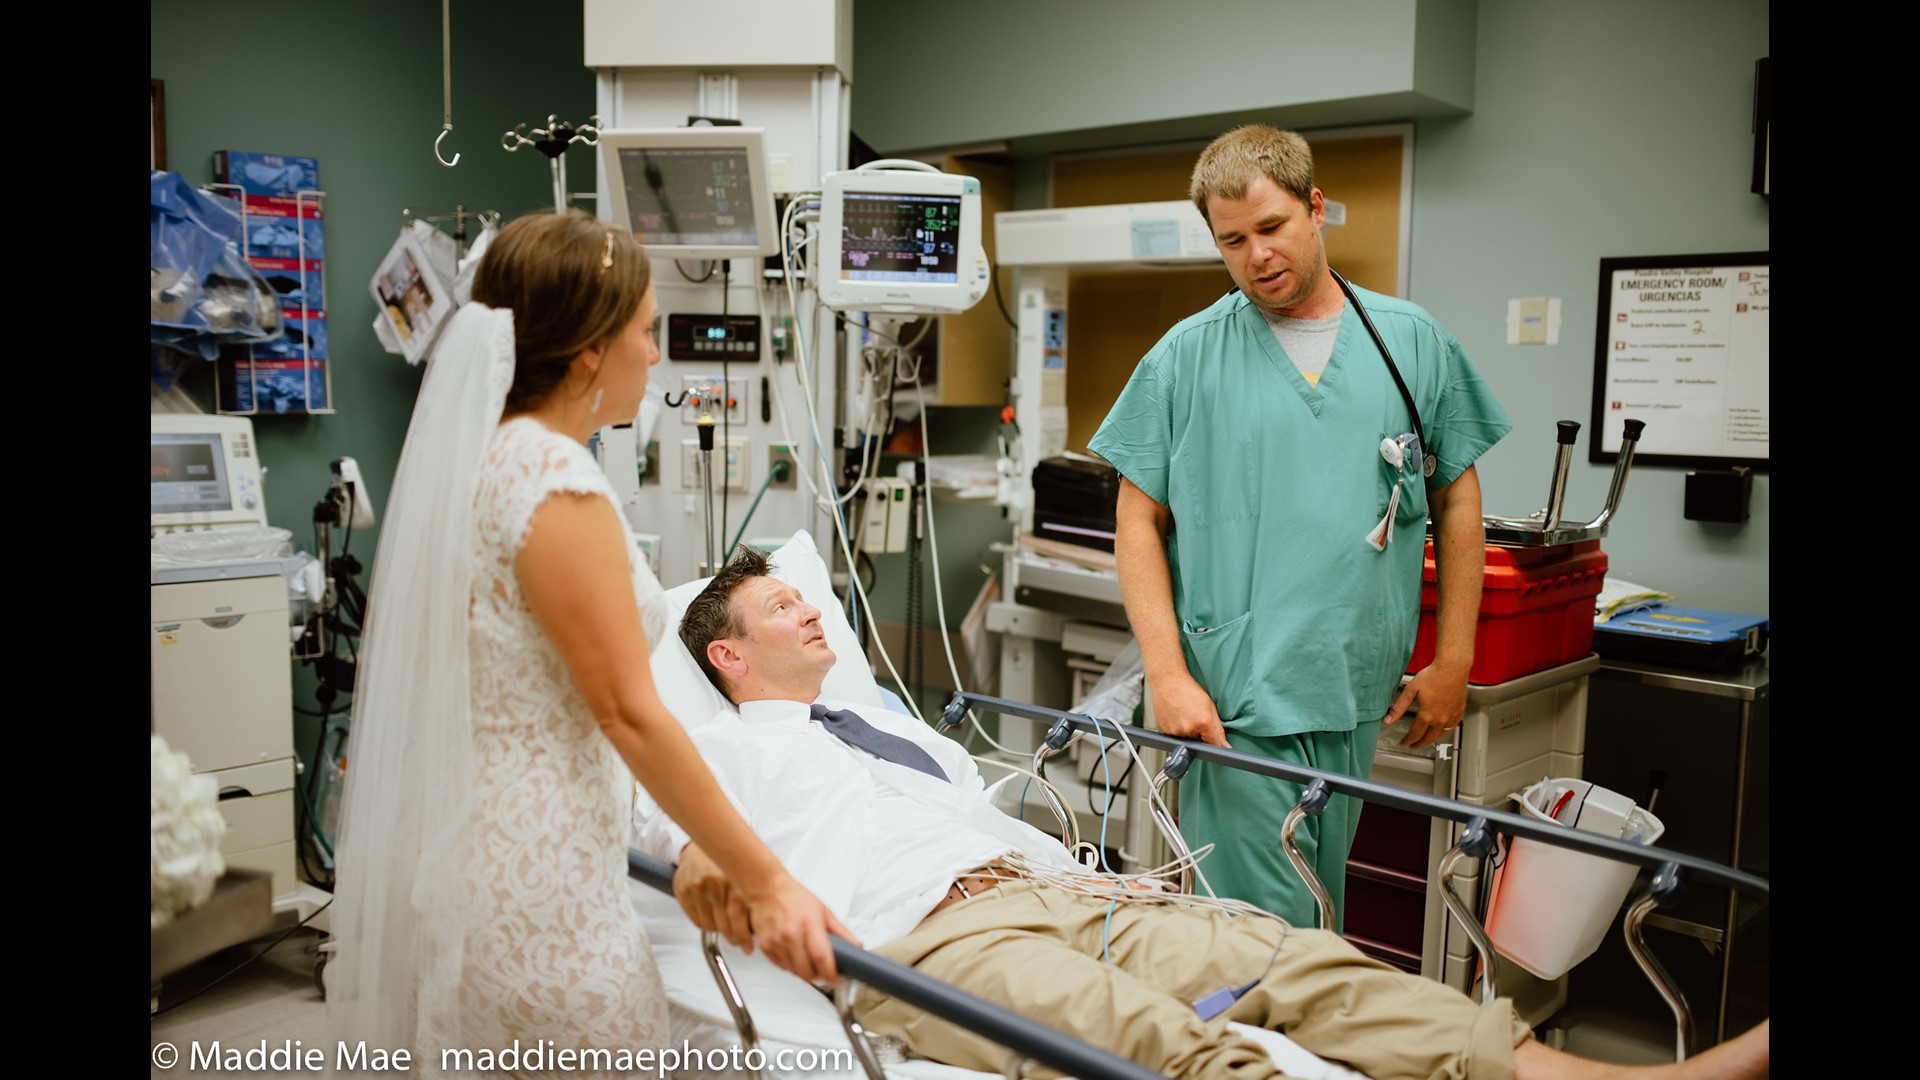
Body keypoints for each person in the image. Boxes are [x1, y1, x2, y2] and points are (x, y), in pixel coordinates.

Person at [642, 549, 1770, 1080]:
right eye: (781, 606)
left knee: (1300, 962)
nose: (812, 611)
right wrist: (697, 853)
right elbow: (668, 837)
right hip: (930, 939)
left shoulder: (897, 733)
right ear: (729, 657)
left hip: (1057, 890)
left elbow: (978, 811)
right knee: (1151, 1044)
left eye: (804, 594)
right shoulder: (716, 756)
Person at [327, 211, 852, 1071]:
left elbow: (563, 705)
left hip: (483, 851)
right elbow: (627, 714)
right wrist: (769, 883)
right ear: (588, 354)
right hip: (544, 886)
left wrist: (684, 845)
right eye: (645, 331)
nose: (655, 354)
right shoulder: (554, 479)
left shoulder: (490, 462)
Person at [1086, 125, 1513, 930]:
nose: (1257, 256)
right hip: (1236, 696)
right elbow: (1137, 517)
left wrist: (1454, 658)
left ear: (1316, 208)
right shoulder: (1186, 357)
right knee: (1261, 937)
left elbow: (1457, 502)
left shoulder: (1411, 342)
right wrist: (1167, 674)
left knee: (1317, 917)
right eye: (1232, 241)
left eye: (1272, 227)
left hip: (1352, 687)